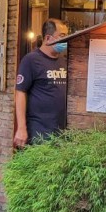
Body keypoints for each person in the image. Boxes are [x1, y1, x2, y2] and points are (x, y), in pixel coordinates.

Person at [14, 18, 69, 147]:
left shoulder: (64, 61)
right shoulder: (31, 60)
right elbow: (20, 92)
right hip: (39, 131)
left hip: (61, 132)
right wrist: (21, 128)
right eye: (62, 36)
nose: (65, 41)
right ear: (48, 38)